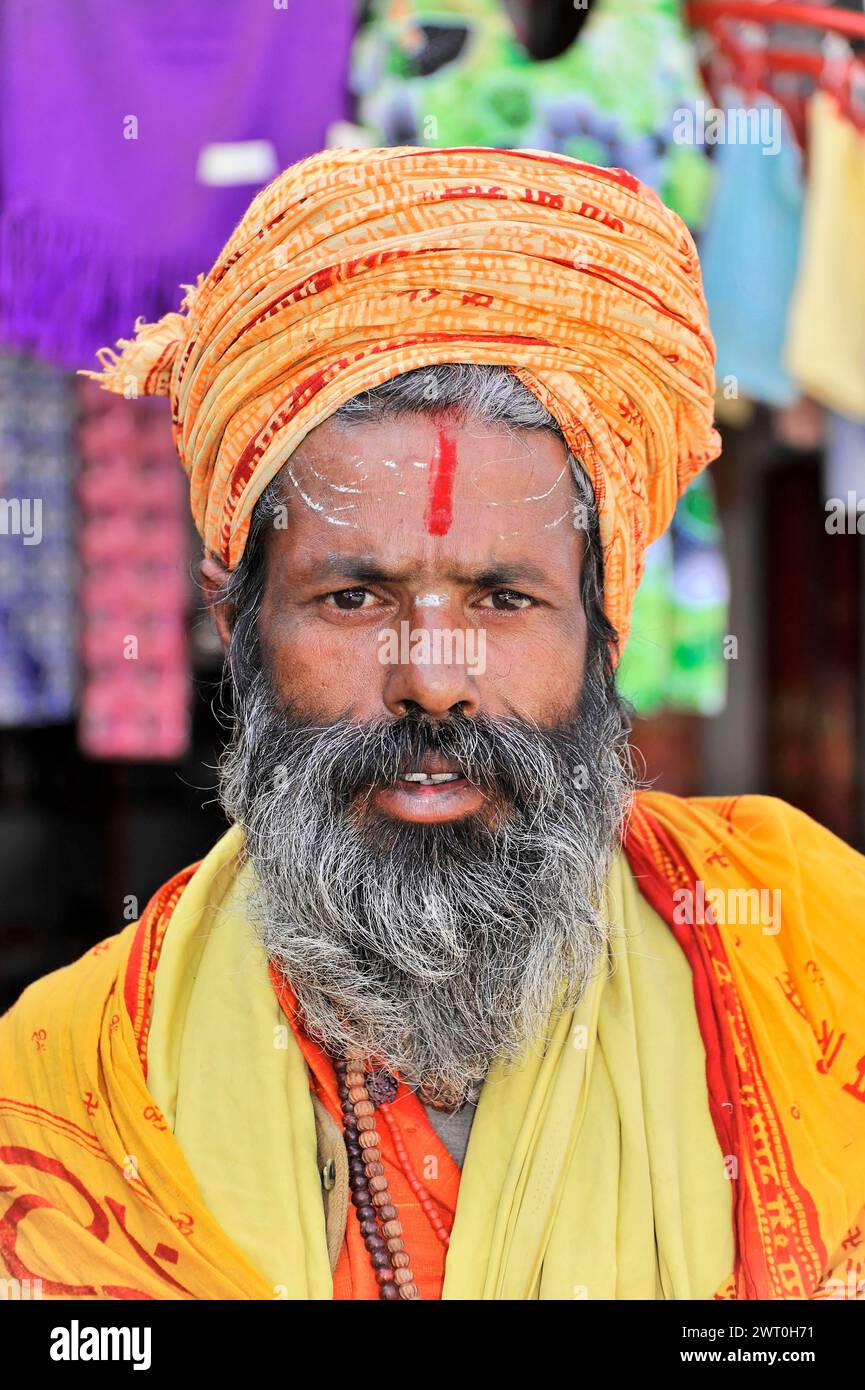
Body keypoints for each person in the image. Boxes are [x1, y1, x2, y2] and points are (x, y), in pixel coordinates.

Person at [2, 146, 864, 1302]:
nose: (434, 680)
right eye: (354, 597)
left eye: (504, 599)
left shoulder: (816, 953)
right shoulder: (64, 1086)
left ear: (601, 628)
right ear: (240, 618)